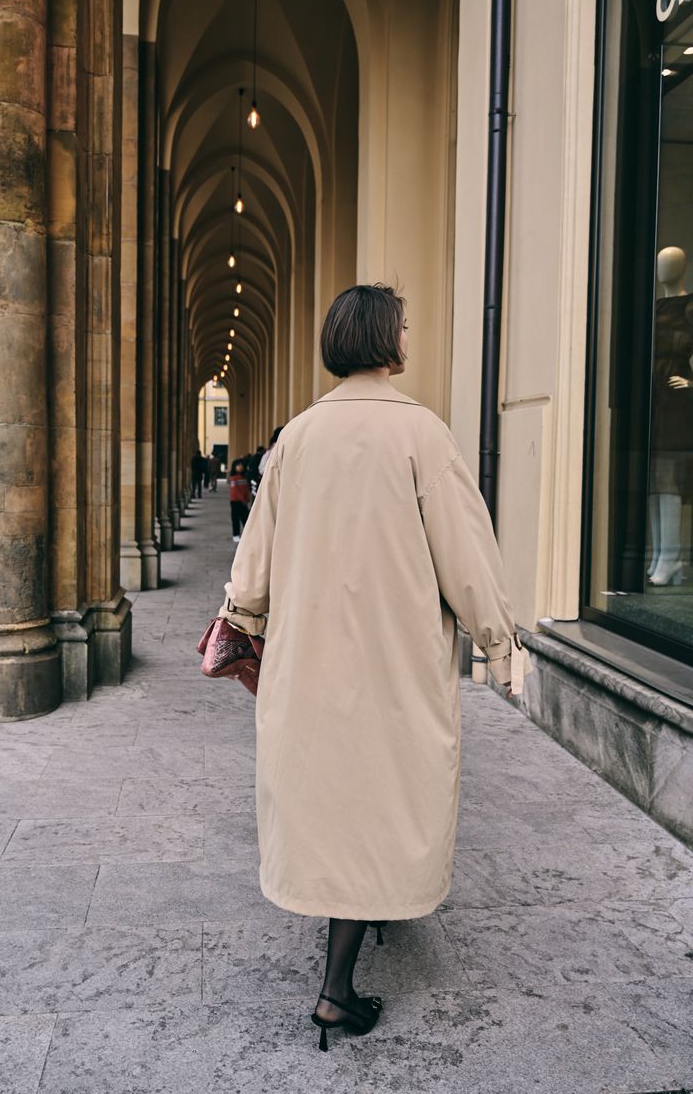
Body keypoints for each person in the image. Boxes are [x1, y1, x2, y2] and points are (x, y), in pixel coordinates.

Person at [213, 283, 531, 1050]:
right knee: (380, 799)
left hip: (311, 661)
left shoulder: (295, 440)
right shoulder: (423, 435)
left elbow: (252, 562)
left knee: (334, 804)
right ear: (388, 340)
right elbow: (467, 555)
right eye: (407, 324)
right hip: (396, 662)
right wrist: (500, 642)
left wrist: (242, 623)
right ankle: (334, 993)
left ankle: (354, 945)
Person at [228, 458, 251, 542]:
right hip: (235, 501)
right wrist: (242, 499)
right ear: (234, 467)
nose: (240, 467)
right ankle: (236, 535)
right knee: (235, 519)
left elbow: (247, 489)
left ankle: (247, 534)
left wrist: (247, 498)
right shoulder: (234, 478)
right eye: (238, 465)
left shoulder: (244, 477)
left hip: (243, 501)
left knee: (246, 518)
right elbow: (235, 491)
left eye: (241, 465)